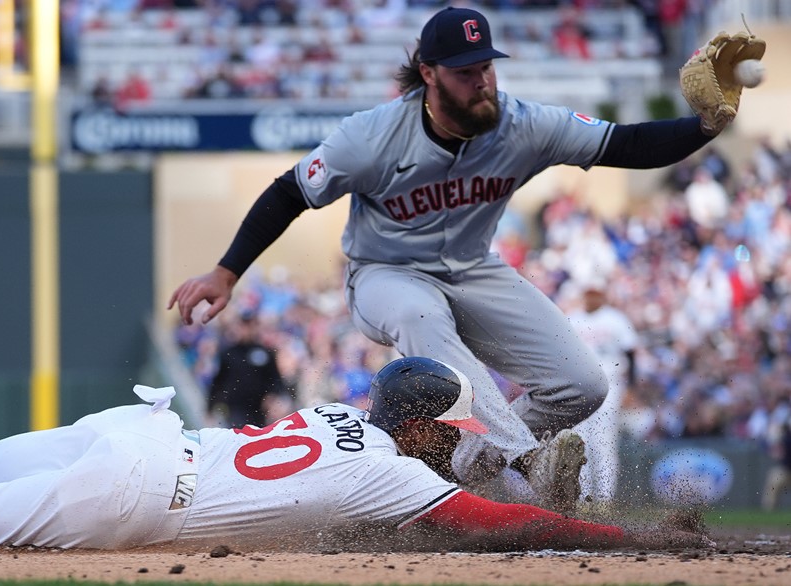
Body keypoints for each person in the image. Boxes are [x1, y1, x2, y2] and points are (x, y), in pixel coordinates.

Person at [168, 6, 747, 513]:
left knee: (583, 385)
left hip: (473, 268)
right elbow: (290, 191)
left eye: (487, 67)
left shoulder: (523, 125)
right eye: (466, 72)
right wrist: (227, 271)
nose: (482, 83)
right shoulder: (371, 137)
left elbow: (626, 144)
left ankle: (472, 465)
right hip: (386, 275)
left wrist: (705, 124)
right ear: (428, 74)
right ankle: (523, 468)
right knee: (422, 317)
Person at [0, 322, 705, 552]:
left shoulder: (345, 412)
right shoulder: (387, 475)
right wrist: (622, 539)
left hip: (143, 426)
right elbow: (497, 516)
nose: (448, 441)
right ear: (420, 425)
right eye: (447, 427)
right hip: (138, 491)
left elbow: (423, 452)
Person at [566, 282, 638, 509]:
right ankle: (583, 499)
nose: (592, 298)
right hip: (578, 389)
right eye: (588, 294)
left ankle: (605, 500)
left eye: (595, 294)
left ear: (603, 296)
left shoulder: (615, 319)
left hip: (610, 386)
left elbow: (631, 354)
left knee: (604, 444)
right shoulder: (572, 318)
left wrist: (631, 388)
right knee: (580, 444)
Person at [207, 311, 288, 427]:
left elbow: (275, 379)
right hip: (234, 407)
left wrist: (273, 395)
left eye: (251, 325)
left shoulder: (265, 353)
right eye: (244, 325)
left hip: (257, 409)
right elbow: (218, 381)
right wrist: (210, 407)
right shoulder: (229, 353)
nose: (247, 329)